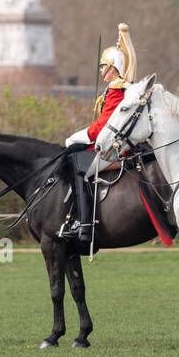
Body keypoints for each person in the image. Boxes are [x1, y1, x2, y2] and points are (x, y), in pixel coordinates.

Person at [59, 23, 138, 245]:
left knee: (78, 166)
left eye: (104, 66)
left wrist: (77, 137)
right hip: (109, 143)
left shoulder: (116, 89)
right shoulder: (118, 87)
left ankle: (84, 224)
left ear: (113, 68)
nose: (102, 70)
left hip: (114, 149)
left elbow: (103, 126)